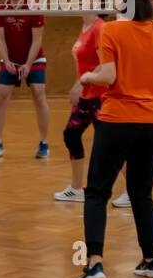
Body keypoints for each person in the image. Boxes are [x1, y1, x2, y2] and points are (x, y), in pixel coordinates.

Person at [74, 0, 153, 278]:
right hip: (151, 123)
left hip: (117, 120)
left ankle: (94, 263)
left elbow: (108, 75)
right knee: (142, 193)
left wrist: (88, 77)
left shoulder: (113, 30)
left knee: (97, 192)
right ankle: (151, 259)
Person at [54, 10, 131, 206]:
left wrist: (81, 83)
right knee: (71, 134)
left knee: (111, 144)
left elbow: (105, 64)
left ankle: (133, 190)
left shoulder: (100, 28)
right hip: (86, 96)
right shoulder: (85, 26)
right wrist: (79, 86)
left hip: (100, 96)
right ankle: (77, 188)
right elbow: (84, 62)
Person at [0, 0, 50, 158]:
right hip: (10, 60)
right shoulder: (1, 9)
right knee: (1, 96)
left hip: (35, 59)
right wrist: (6, 61)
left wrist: (28, 64)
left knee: (39, 94)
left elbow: (37, 40)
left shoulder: (33, 9)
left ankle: (44, 143)